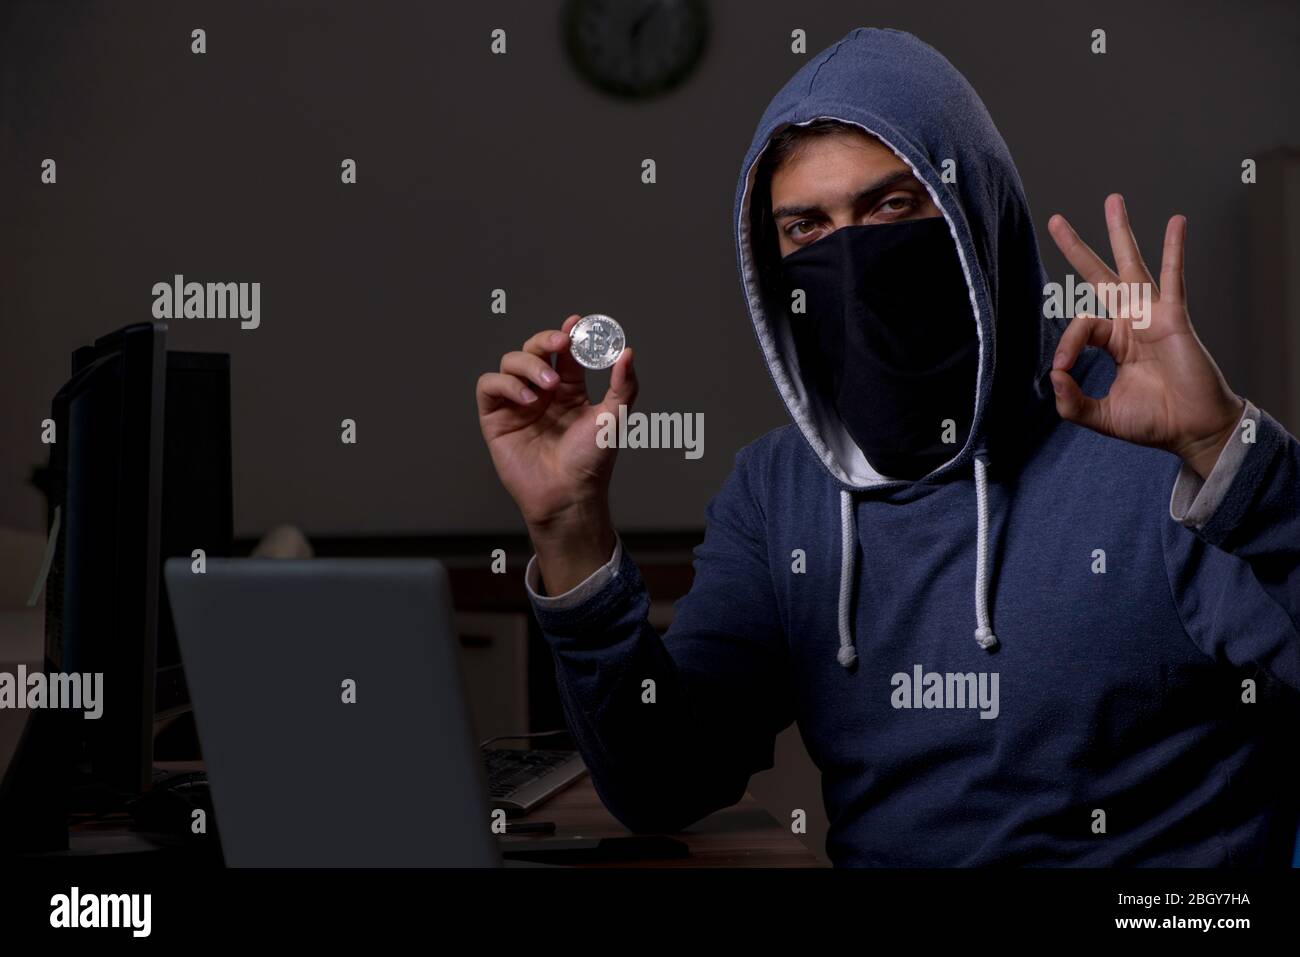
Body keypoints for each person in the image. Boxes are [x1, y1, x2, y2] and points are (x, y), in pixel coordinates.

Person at [474, 27, 1300, 866]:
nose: (854, 258)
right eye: (807, 228)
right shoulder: (777, 491)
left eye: (892, 207)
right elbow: (665, 783)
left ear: (975, 213)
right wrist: (571, 529)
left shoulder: (1157, 448)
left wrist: (1222, 449)